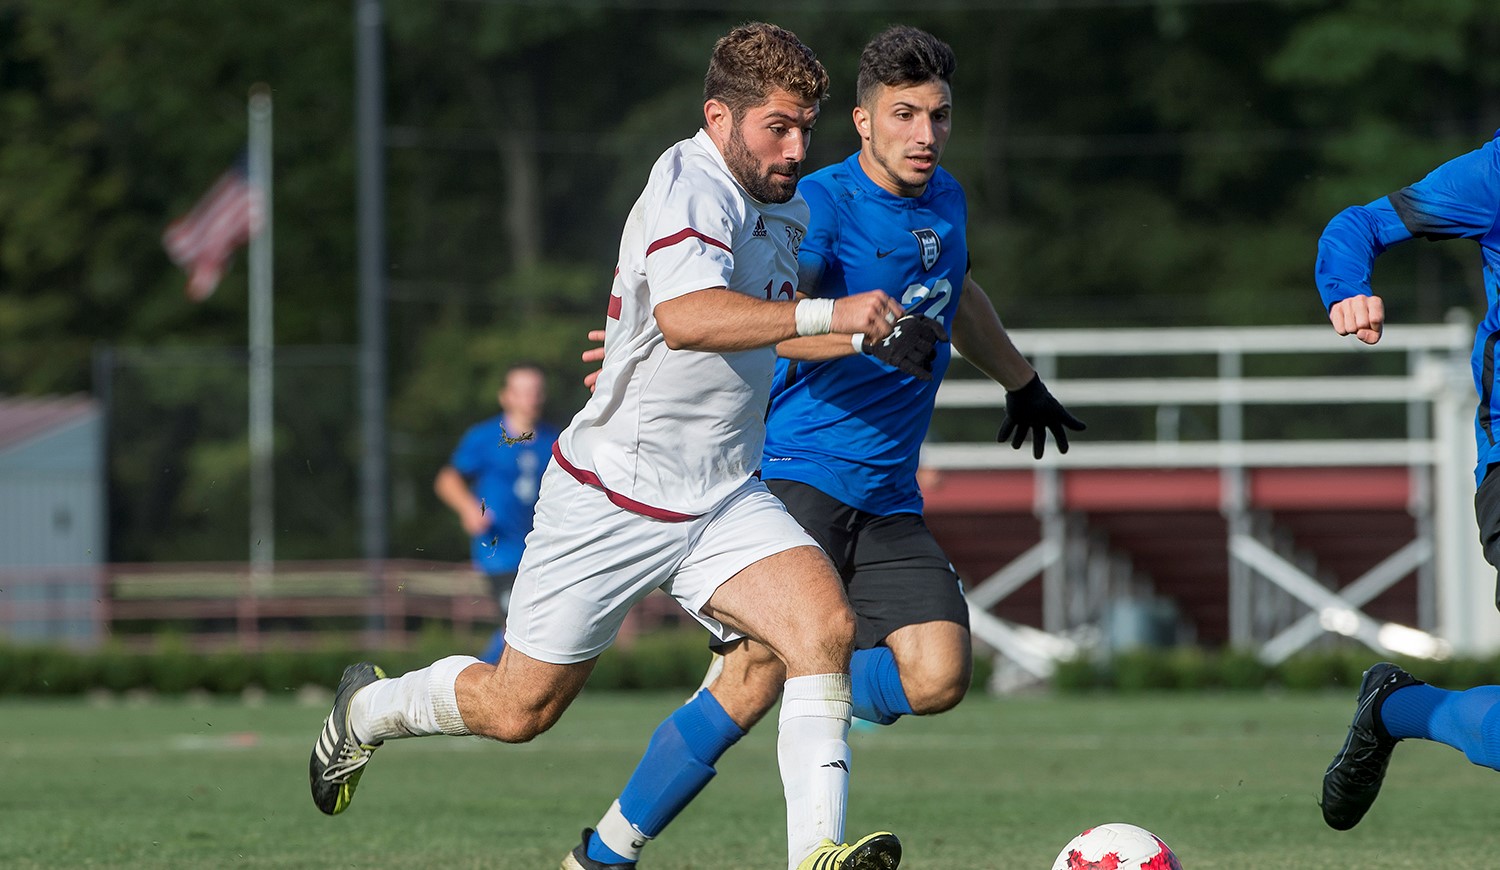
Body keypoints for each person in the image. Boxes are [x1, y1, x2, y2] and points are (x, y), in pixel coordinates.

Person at [308, 22, 907, 870]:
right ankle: (367, 711)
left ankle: (816, 855)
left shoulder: (787, 204)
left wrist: (859, 337)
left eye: (807, 129)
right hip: (610, 497)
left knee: (822, 628)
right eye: (779, 127)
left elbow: (749, 331)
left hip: (723, 496)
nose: (797, 147)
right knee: (520, 710)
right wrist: (829, 313)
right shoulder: (689, 180)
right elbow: (690, 316)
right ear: (720, 116)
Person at [567, 25, 1083, 869]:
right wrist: (861, 340)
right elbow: (765, 325)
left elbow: (959, 291)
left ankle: (817, 688)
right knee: (748, 684)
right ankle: (606, 854)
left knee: (939, 674)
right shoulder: (824, 205)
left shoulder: (947, 197)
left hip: (886, 493)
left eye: (940, 116)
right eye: (905, 115)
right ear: (863, 121)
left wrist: (1020, 380)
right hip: (795, 475)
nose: (925, 134)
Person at [1315, 131, 1500, 831]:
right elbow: (1357, 223)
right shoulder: (1494, 173)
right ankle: (1398, 707)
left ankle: (1395, 706)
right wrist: (1348, 288)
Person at [433, 363, 559, 664]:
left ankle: (483, 688)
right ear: (506, 397)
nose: (532, 398)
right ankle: (471, 686)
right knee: (517, 624)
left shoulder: (554, 441)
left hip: (542, 548)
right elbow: (447, 480)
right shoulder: (485, 437)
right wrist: (467, 508)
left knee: (534, 627)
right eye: (523, 391)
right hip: (499, 549)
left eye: (537, 391)